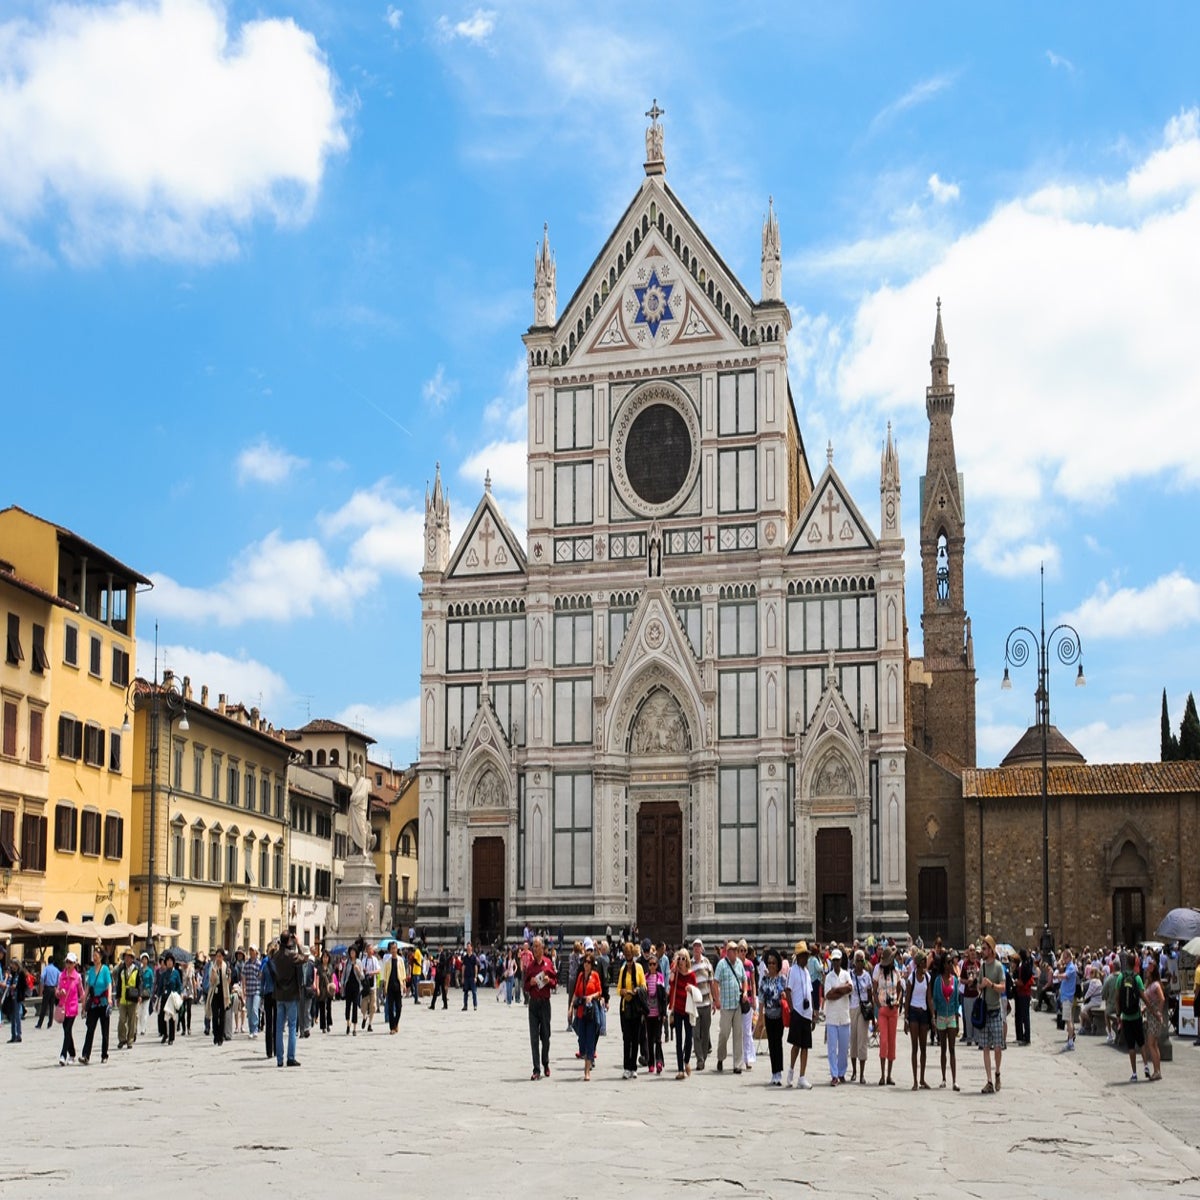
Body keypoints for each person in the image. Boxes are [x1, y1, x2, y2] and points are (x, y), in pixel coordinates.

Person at [523, 935, 558, 1080]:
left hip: (545, 1003)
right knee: (534, 1038)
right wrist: (530, 984)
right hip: (533, 1004)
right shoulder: (530, 967)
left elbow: (555, 982)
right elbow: (525, 986)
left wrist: (549, 980)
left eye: (537, 946)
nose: (535, 948)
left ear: (542, 948)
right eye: (533, 946)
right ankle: (536, 1069)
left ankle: (545, 1062)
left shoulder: (548, 963)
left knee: (546, 1036)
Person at [978, 935, 1005, 1094]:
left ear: (991, 950)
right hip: (984, 1012)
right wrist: (981, 985)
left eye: (985, 949)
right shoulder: (982, 967)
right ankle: (989, 1080)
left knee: (998, 1047)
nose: (983, 951)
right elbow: (978, 987)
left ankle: (997, 1073)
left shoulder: (998, 967)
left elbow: (1003, 987)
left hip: (995, 1011)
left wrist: (992, 985)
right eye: (982, 948)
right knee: (985, 1047)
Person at [786, 940, 814, 1089]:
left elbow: (810, 992)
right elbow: (788, 990)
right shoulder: (793, 970)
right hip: (797, 1011)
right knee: (796, 1045)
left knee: (805, 1047)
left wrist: (813, 1013)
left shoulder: (807, 972)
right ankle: (791, 1070)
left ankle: (802, 1076)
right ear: (798, 956)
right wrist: (791, 1009)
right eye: (803, 956)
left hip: (807, 1013)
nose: (805, 958)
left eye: (806, 956)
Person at [617, 941, 647, 1079]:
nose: (628, 960)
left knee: (635, 1039)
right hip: (625, 1008)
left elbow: (644, 986)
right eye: (626, 957)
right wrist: (622, 991)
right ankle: (626, 1067)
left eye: (630, 957)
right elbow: (618, 989)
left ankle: (633, 1067)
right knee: (626, 1038)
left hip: (636, 1008)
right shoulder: (623, 970)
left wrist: (636, 990)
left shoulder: (639, 968)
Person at [271, 934, 302, 1067]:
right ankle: (290, 1057)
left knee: (279, 1028)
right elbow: (305, 958)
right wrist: (299, 943)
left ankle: (279, 1059)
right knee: (292, 1027)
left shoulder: (275, 956)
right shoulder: (293, 955)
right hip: (292, 995)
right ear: (289, 940)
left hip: (279, 995)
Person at [903, 948, 932, 1090]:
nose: (926, 963)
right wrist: (906, 1019)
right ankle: (915, 1079)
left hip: (924, 1012)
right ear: (919, 963)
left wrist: (932, 1016)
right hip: (914, 1012)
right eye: (924, 961)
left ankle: (922, 1078)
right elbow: (907, 999)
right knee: (915, 1047)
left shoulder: (927, 978)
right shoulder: (911, 978)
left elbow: (929, 998)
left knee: (924, 1048)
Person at [931, 952, 961, 1090]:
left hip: (951, 1017)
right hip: (942, 1016)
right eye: (948, 962)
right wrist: (935, 1018)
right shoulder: (938, 981)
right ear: (943, 964)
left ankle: (955, 1080)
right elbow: (935, 999)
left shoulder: (955, 980)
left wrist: (957, 1019)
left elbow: (956, 1000)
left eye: (951, 962)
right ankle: (944, 1078)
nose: (950, 965)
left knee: (952, 1049)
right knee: (943, 1048)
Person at [823, 947, 853, 1086]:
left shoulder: (846, 974)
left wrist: (836, 989)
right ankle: (834, 1074)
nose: (835, 963)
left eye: (837, 960)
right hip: (832, 1017)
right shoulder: (829, 977)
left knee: (843, 1048)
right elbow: (828, 995)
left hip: (844, 1016)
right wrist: (841, 990)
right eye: (833, 960)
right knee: (832, 1048)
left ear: (841, 960)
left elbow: (850, 989)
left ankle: (841, 1072)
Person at [758, 948, 787, 1086]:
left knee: (778, 1043)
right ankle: (773, 1072)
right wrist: (760, 1017)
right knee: (771, 1044)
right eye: (769, 963)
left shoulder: (782, 979)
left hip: (779, 1015)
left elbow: (787, 995)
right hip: (769, 1015)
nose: (771, 965)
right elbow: (762, 999)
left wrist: (784, 997)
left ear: (778, 965)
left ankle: (779, 1072)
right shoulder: (764, 980)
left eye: (773, 963)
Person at [572, 949, 603, 1080]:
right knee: (582, 1040)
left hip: (590, 1011)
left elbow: (600, 991)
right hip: (580, 1011)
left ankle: (587, 1071)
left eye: (589, 962)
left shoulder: (595, 976)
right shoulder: (580, 976)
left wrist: (592, 996)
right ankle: (585, 1056)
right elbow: (575, 993)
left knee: (590, 1039)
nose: (586, 964)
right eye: (585, 962)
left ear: (592, 964)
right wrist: (570, 1008)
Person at [873, 944, 901, 1085]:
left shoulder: (896, 972)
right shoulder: (878, 970)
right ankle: (882, 1075)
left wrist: (898, 1001)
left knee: (892, 1043)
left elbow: (900, 989)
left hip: (893, 1010)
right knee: (883, 1041)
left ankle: (889, 1075)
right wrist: (879, 1006)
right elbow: (874, 990)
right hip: (883, 1010)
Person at [79, 946, 112, 1065]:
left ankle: (104, 1054)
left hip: (103, 1003)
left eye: (96, 956)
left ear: (101, 957)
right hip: (93, 1003)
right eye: (93, 956)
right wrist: (83, 1001)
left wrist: (109, 998)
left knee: (105, 1030)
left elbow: (109, 984)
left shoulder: (105, 970)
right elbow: (88, 987)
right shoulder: (90, 971)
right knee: (90, 1029)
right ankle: (85, 1055)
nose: (94, 958)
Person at [667, 947, 697, 1079]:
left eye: (683, 958)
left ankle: (686, 1061)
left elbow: (696, 992)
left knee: (689, 1038)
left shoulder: (691, 975)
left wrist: (691, 989)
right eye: (679, 958)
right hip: (678, 1010)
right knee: (678, 1040)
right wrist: (672, 973)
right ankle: (680, 1069)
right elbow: (671, 985)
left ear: (687, 960)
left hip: (688, 1010)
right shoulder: (676, 973)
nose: (681, 961)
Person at [848, 948, 874, 1084]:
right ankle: (854, 1071)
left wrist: (873, 1018)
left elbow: (870, 995)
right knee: (853, 1040)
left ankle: (862, 1074)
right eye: (857, 960)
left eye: (861, 960)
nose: (859, 963)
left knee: (862, 1041)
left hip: (864, 1009)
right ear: (854, 962)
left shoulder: (867, 976)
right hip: (852, 1008)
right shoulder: (849, 975)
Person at [690, 939, 715, 1070]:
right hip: (694, 1005)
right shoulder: (689, 964)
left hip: (706, 1003)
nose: (696, 949)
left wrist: (715, 1000)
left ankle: (703, 1056)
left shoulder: (707, 964)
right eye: (694, 946)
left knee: (705, 1033)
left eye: (698, 946)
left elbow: (712, 983)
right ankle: (699, 1059)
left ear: (702, 949)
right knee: (696, 1033)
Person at [56, 952, 84, 1065]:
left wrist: (84, 1005)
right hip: (63, 1008)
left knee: (67, 1030)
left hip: (72, 1007)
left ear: (75, 964)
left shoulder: (77, 977)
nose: (68, 965)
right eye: (67, 962)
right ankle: (72, 1054)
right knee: (67, 1032)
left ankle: (63, 1055)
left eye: (71, 963)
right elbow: (57, 991)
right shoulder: (61, 976)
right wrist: (59, 992)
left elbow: (81, 992)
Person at [1142, 958, 1165, 1082]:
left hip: (1154, 1017)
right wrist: (1145, 1008)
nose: (1146, 971)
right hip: (1151, 1016)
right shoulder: (1150, 984)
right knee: (1154, 1044)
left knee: (1151, 1044)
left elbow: (1162, 999)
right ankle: (1157, 1070)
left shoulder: (1156, 985)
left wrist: (1158, 1012)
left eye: (1148, 970)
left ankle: (1157, 1071)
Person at [643, 949, 666, 1075]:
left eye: (654, 964)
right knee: (649, 1039)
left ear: (657, 966)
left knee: (658, 1039)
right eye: (650, 964)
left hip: (657, 1013)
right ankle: (650, 1063)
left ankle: (658, 1061)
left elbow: (663, 997)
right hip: (648, 1014)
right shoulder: (645, 978)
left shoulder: (660, 978)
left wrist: (664, 1014)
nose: (652, 966)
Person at [116, 948, 141, 1049]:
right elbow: (119, 984)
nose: (126, 959)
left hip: (133, 998)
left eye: (128, 957)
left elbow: (140, 984)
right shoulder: (121, 970)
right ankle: (122, 1039)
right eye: (125, 957)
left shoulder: (136, 970)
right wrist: (117, 997)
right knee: (122, 1020)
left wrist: (139, 995)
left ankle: (130, 1040)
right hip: (123, 998)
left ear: (132, 959)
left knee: (132, 1020)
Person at [1054, 948, 1078, 1051]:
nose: (1063, 959)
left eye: (1064, 957)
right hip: (1065, 997)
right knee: (1069, 1020)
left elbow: (1065, 976)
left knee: (1068, 1021)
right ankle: (1070, 1041)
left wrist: (1057, 975)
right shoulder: (1068, 966)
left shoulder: (1071, 967)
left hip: (1068, 997)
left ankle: (1071, 1042)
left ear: (1068, 957)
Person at [206, 947, 230, 1046]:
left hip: (223, 994)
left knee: (222, 1016)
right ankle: (215, 1035)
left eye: (220, 956)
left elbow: (228, 982)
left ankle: (221, 1037)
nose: (218, 958)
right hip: (214, 994)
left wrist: (229, 974)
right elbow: (211, 981)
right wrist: (214, 972)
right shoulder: (213, 967)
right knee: (215, 1016)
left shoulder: (225, 967)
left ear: (223, 957)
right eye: (217, 956)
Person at [4, 956, 28, 1043]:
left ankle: (18, 1035)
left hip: (17, 997)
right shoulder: (12, 973)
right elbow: (9, 983)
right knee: (12, 1016)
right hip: (12, 996)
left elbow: (23, 986)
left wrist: (16, 987)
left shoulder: (21, 973)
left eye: (13, 964)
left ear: (16, 965)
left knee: (17, 1016)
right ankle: (13, 1035)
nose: (11, 966)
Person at [383, 943, 405, 1033]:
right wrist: (385, 987)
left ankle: (396, 1023)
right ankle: (392, 1027)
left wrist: (404, 984)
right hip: (390, 986)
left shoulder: (400, 960)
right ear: (390, 950)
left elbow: (403, 974)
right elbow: (385, 976)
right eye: (392, 948)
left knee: (399, 1008)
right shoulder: (388, 962)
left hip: (398, 986)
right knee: (390, 1008)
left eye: (395, 948)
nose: (394, 950)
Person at [259, 943, 276, 1058]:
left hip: (267, 995)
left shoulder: (265, 966)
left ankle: (268, 1051)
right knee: (277, 1023)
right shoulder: (279, 966)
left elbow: (262, 983)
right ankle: (276, 1048)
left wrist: (261, 995)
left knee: (268, 1023)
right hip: (277, 995)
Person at [1014, 948, 1034, 1045]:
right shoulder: (1027, 964)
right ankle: (1026, 1037)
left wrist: (1016, 982)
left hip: (1024, 993)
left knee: (1025, 1016)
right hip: (1025, 993)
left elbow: (1023, 981)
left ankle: (1027, 1038)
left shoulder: (1024, 966)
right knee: (1025, 1016)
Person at [342, 946, 363, 1035]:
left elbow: (362, 976)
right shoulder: (347, 962)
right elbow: (344, 974)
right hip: (348, 986)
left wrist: (358, 970)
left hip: (356, 987)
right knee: (347, 1006)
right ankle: (348, 1024)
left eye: (354, 952)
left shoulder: (359, 962)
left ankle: (354, 1028)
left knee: (355, 1006)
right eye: (351, 952)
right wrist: (342, 984)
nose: (352, 953)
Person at [36, 954, 60, 1030]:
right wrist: (56, 985)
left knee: (44, 1006)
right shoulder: (56, 970)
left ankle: (40, 1023)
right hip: (53, 988)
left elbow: (42, 977)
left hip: (47, 988)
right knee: (51, 1006)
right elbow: (60, 977)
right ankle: (50, 1023)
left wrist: (43, 983)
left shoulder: (46, 968)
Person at [242, 945, 261, 1037]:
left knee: (254, 1009)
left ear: (256, 952)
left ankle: (255, 1028)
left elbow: (261, 976)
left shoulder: (259, 963)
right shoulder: (247, 964)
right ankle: (251, 1030)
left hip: (256, 989)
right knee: (249, 1011)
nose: (251, 952)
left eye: (252, 951)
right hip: (249, 990)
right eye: (250, 951)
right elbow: (244, 977)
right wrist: (243, 988)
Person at [361, 944, 380, 1031]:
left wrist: (372, 973)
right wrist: (364, 972)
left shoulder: (375, 960)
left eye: (371, 949)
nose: (370, 951)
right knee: (364, 1005)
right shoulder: (363, 960)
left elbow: (378, 970)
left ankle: (370, 1024)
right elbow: (361, 972)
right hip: (365, 986)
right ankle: (364, 1017)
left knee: (373, 1005)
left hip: (373, 985)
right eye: (368, 949)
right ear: (366, 950)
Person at [316, 950, 334, 1033]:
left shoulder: (330, 967)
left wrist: (333, 986)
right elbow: (317, 978)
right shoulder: (319, 968)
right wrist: (317, 988)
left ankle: (328, 1024)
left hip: (329, 988)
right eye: (324, 957)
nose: (325, 959)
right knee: (322, 1008)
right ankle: (323, 1026)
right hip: (322, 988)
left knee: (329, 1007)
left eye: (326, 957)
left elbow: (332, 977)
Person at [461, 941, 479, 1011]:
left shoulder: (474, 957)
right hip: (466, 977)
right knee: (465, 992)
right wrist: (462, 977)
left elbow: (475, 967)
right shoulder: (465, 957)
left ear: (471, 948)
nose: (468, 948)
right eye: (467, 947)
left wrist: (475, 977)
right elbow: (463, 967)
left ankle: (475, 1005)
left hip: (472, 977)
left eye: (469, 946)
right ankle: (465, 1005)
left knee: (474, 992)